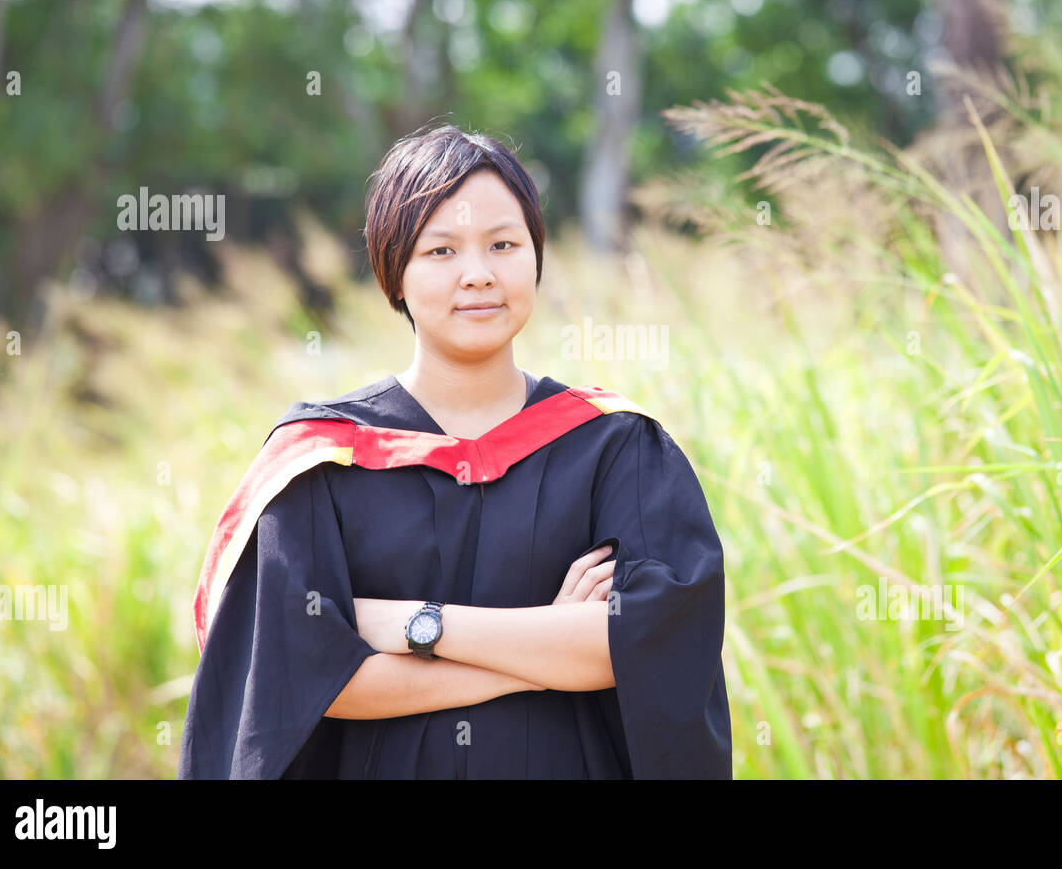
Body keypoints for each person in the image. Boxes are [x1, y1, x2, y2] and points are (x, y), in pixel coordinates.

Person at [177, 123, 732, 778]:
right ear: (396, 272)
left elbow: (641, 646)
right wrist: (543, 649)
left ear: (535, 257)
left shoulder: (616, 448)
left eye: (503, 244)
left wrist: (421, 625)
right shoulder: (321, 464)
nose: (478, 275)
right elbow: (312, 682)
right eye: (441, 251)